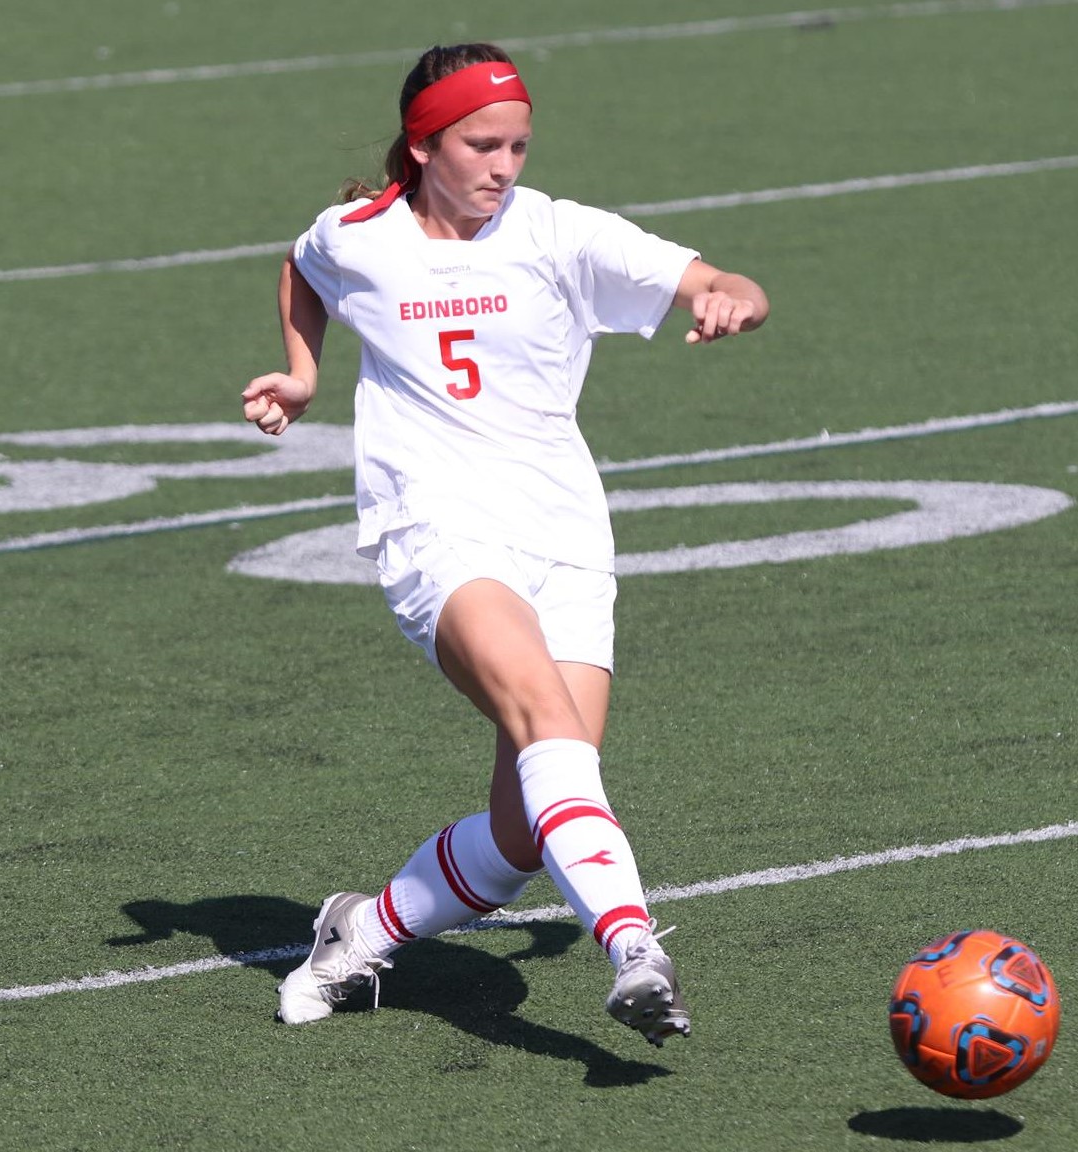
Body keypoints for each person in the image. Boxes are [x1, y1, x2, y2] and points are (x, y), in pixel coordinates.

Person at [241, 42, 768, 1047]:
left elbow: (715, 275)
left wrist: (729, 292)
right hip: (434, 531)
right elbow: (304, 267)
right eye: (482, 144)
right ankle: (633, 949)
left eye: (518, 145)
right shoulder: (359, 236)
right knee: (545, 726)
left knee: (527, 829)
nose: (503, 165)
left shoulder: (557, 235)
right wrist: (301, 373)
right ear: (423, 143)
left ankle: (360, 931)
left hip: (563, 534)